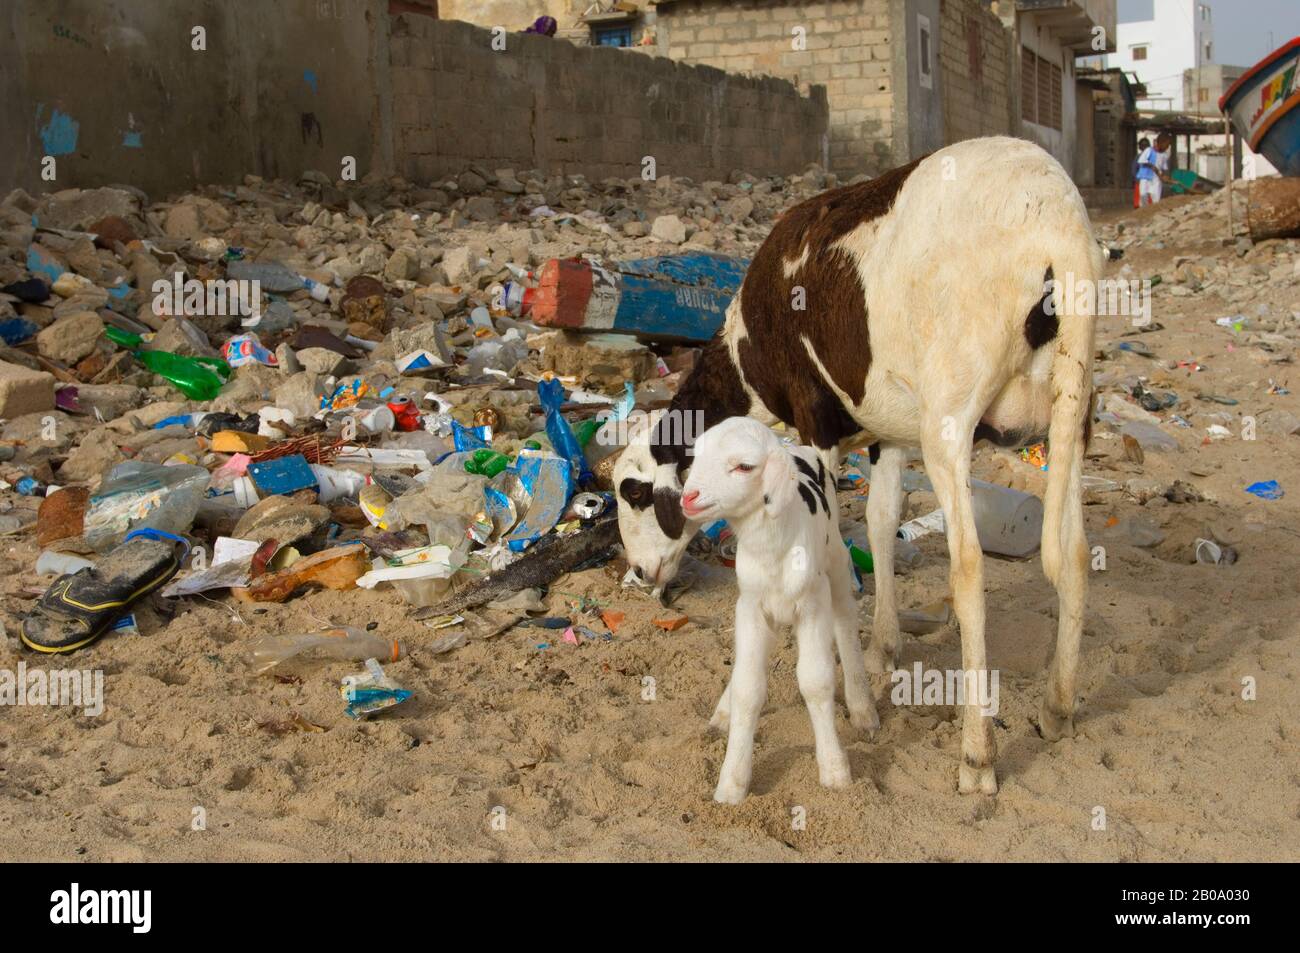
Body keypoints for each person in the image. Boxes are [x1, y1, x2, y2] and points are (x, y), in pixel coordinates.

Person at [1136, 134, 1173, 206]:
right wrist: (1152, 166)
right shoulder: (1148, 150)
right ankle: (1144, 211)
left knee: (1156, 198)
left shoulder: (1164, 155)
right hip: (1145, 177)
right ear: (1161, 142)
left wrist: (1164, 176)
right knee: (1143, 195)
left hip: (1156, 179)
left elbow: (1164, 167)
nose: (1167, 147)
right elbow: (1141, 161)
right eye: (1167, 144)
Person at [1131, 137, 1150, 208]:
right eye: (1143, 145)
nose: (1144, 147)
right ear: (1140, 147)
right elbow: (1133, 169)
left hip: (1149, 182)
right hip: (1139, 182)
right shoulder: (1138, 157)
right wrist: (1137, 179)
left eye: (1146, 145)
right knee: (1138, 203)